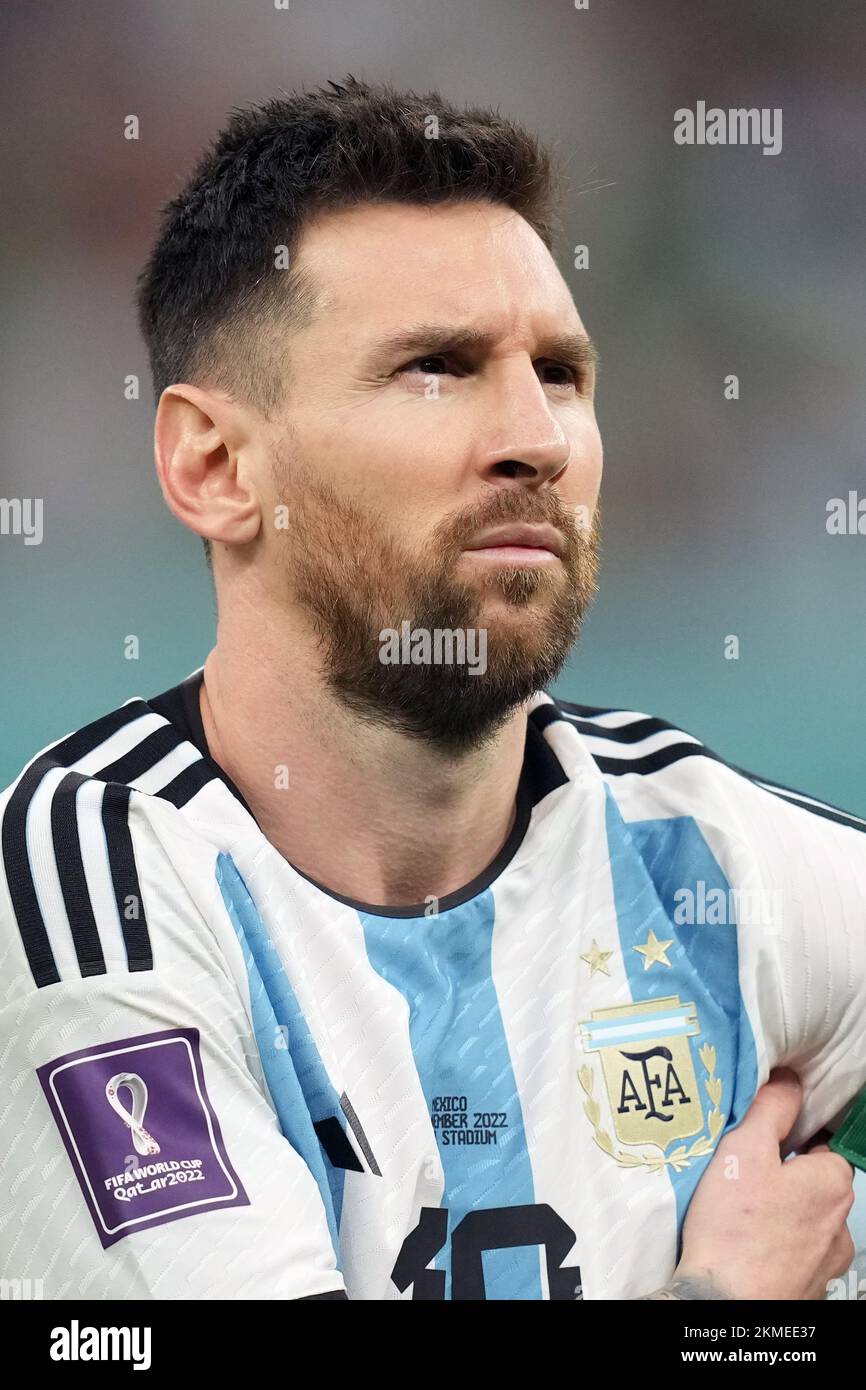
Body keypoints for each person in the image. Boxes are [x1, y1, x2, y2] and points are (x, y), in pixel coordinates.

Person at [0, 77, 863, 1301]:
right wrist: (723, 1310)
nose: (539, 439)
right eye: (434, 369)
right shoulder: (97, 889)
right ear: (214, 465)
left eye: (560, 373)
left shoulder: (714, 861)